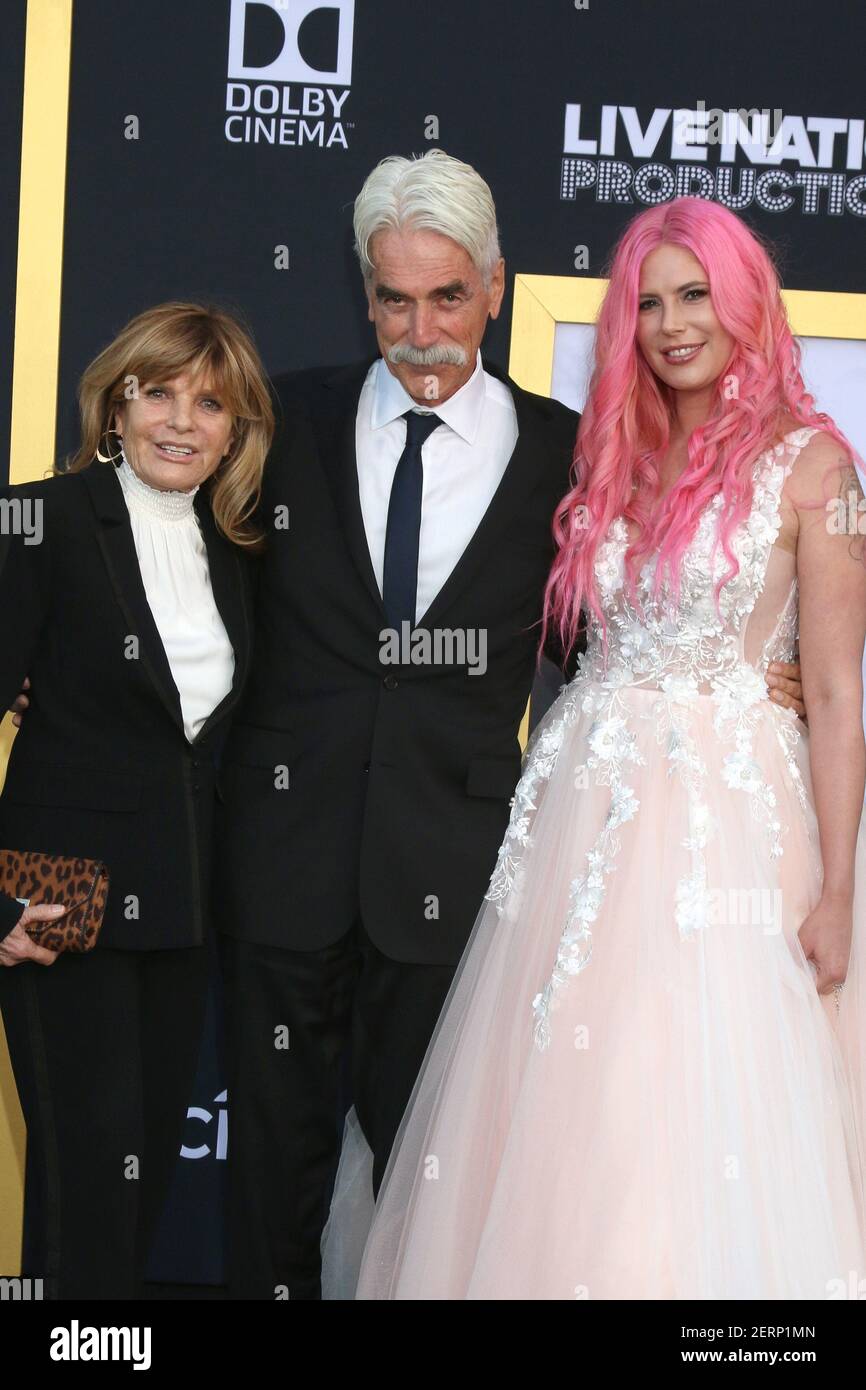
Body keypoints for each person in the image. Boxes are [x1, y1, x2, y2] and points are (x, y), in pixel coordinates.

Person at [214, 151, 805, 1300]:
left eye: (446, 296)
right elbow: (180, 578)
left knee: (443, 1198)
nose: (420, 327)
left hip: (461, 880)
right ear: (363, 291)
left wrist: (748, 673)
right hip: (282, 866)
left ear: (494, 287)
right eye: (393, 297)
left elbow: (616, 638)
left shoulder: (573, 452)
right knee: (266, 1194)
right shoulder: (277, 416)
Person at [353, 196, 866, 1300]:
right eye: (648, 302)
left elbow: (830, 685)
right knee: (564, 1106)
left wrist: (836, 887)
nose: (673, 322)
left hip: (729, 831)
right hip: (578, 823)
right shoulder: (607, 455)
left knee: (690, 1100)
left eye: (695, 295)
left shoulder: (815, 468)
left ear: (744, 304)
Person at [0, 302, 272, 1298]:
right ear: (114, 406)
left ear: (234, 429)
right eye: (156, 392)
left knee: (141, 1182)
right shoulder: (42, 522)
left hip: (182, 913)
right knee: (84, 1193)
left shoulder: (238, 554)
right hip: (56, 904)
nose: (180, 420)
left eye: (210, 403)